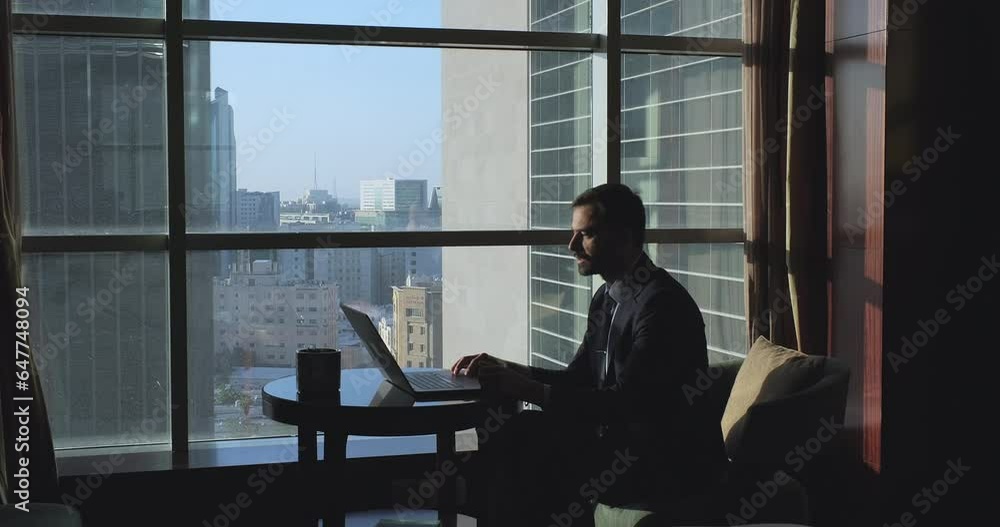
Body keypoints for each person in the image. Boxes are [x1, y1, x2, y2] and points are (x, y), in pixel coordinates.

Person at [452, 183, 728, 526]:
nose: (571, 246)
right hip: (619, 448)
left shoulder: (661, 306)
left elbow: (626, 403)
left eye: (586, 234)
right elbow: (577, 379)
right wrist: (510, 369)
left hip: (662, 462)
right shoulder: (606, 298)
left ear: (625, 237)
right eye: (574, 234)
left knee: (517, 444)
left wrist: (527, 390)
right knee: (501, 436)